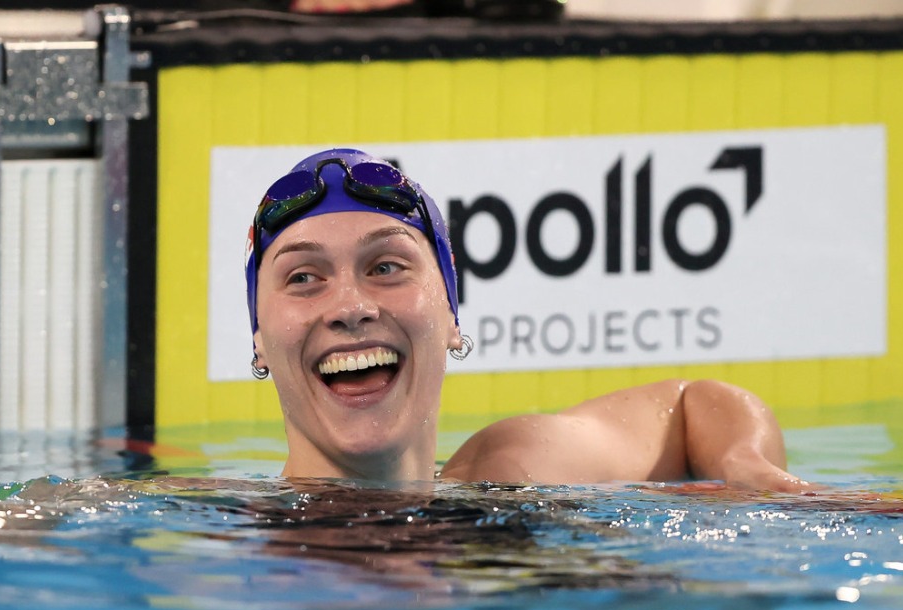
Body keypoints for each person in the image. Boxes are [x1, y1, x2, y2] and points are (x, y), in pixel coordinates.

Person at [246, 148, 811, 492]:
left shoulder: (511, 469)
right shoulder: (209, 525)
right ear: (259, 341)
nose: (351, 307)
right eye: (303, 277)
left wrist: (747, 468)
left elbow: (691, 407)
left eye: (386, 266)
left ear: (450, 318)